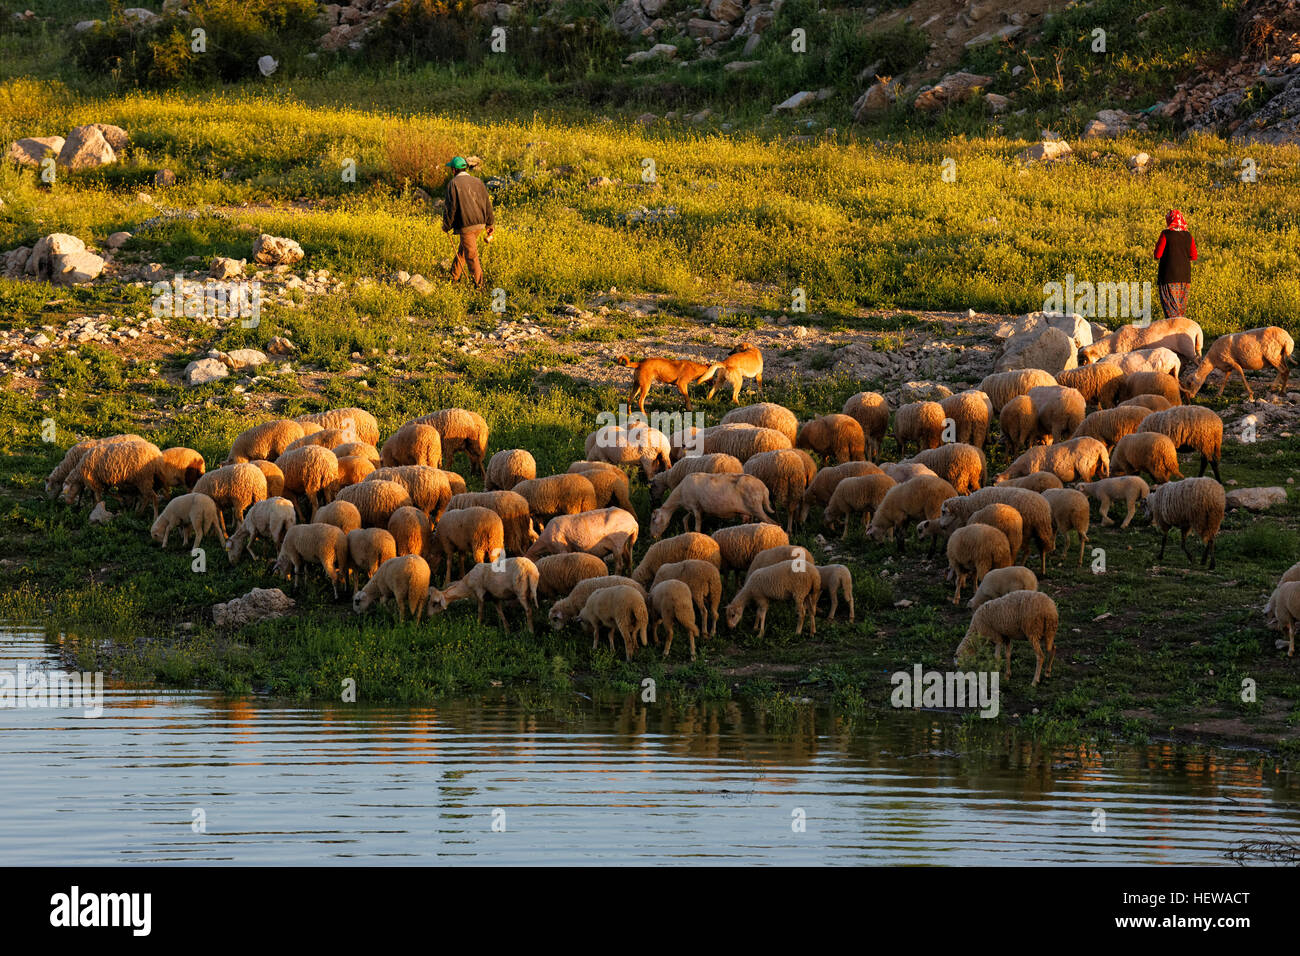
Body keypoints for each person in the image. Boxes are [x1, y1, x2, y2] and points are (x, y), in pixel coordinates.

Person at [441, 156, 494, 288]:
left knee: (471, 256)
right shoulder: (478, 181)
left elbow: (450, 208)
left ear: (454, 170)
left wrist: (446, 225)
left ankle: (479, 286)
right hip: (480, 223)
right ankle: (453, 277)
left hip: (467, 225)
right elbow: (487, 203)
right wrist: (490, 224)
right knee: (463, 251)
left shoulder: (453, 184)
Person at [1153, 209, 1197, 319]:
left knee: (1172, 313)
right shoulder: (1188, 236)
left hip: (1168, 277)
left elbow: (1158, 254)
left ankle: (1174, 335)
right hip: (1185, 278)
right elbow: (1194, 256)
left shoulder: (1166, 234)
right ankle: (1182, 334)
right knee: (1180, 312)